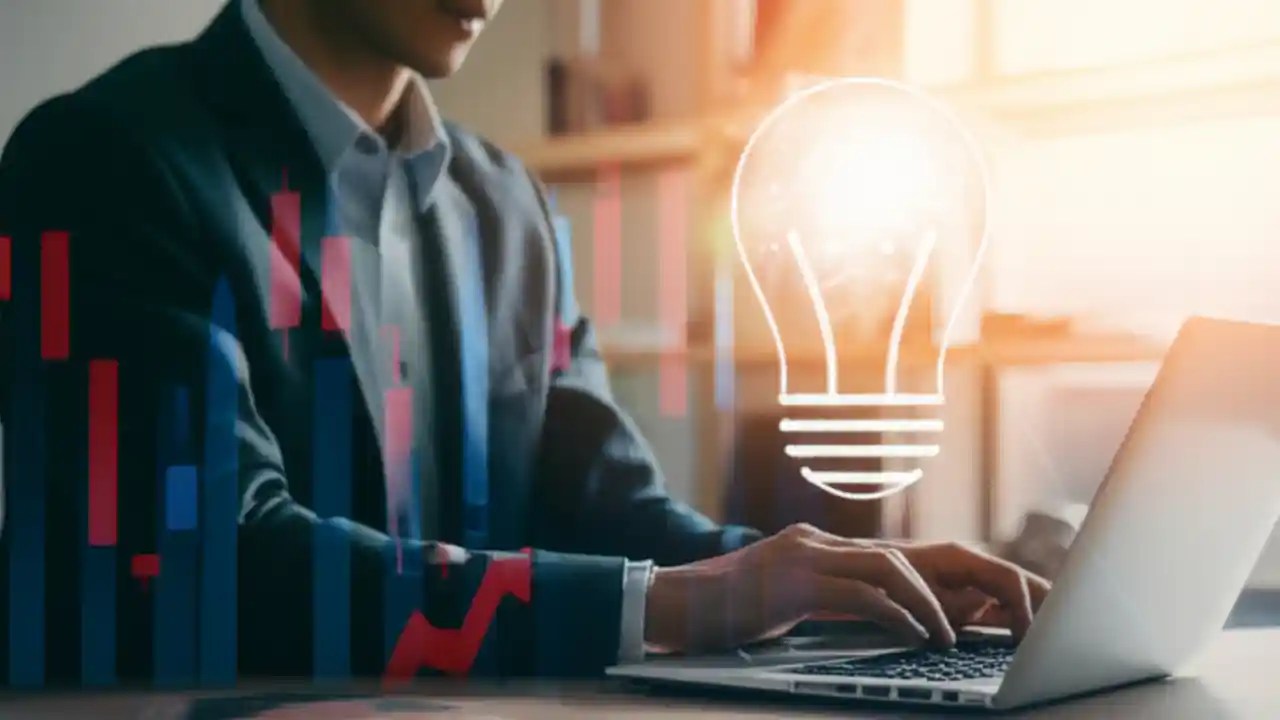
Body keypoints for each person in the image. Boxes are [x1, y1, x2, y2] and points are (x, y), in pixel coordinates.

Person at [0, 0, 1048, 681]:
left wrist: (844, 582)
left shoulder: (504, 204)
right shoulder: (99, 163)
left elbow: (614, 512)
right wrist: (680, 601)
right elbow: (214, 563)